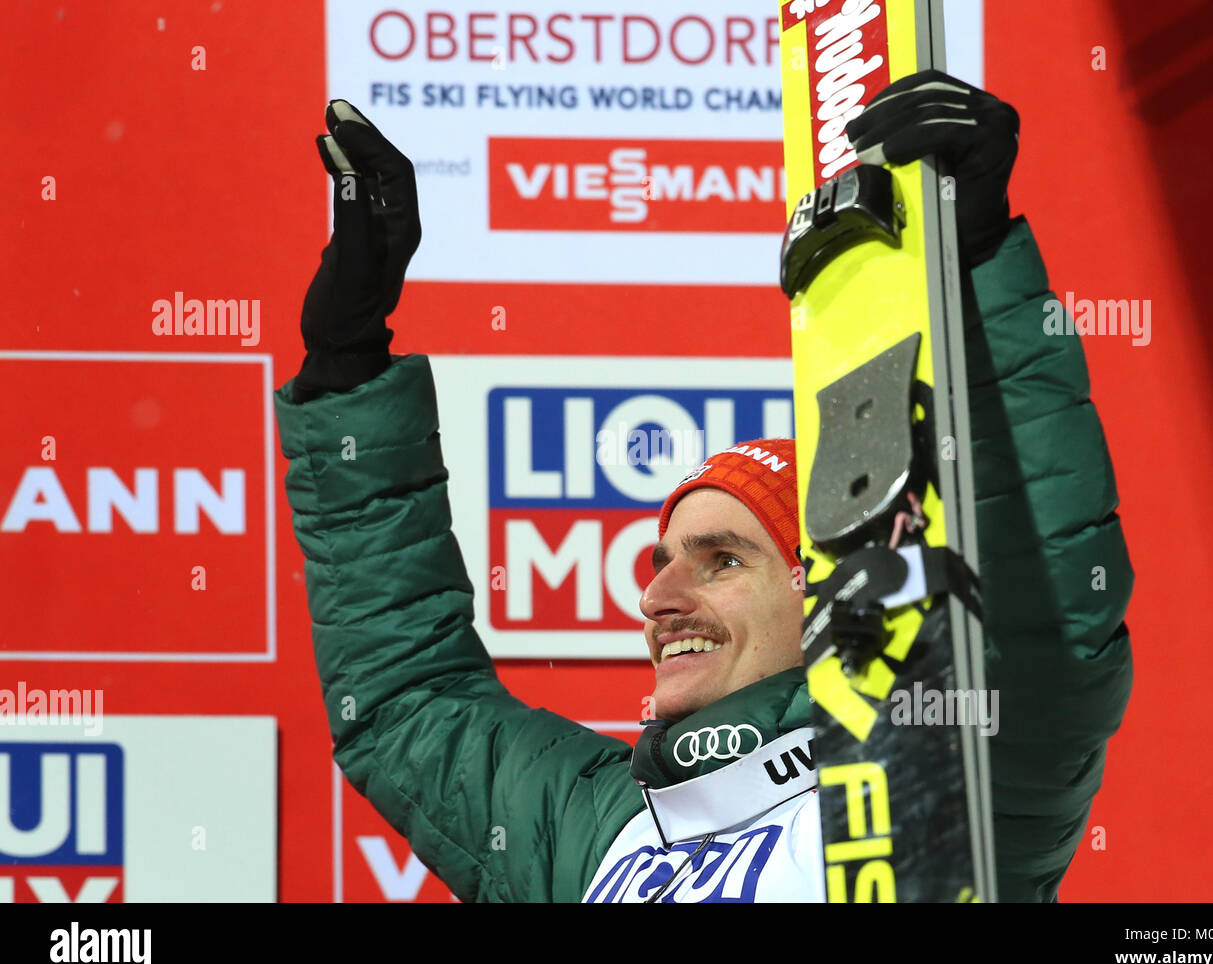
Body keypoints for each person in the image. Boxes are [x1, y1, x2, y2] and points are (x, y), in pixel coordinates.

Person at [274, 72, 1134, 903]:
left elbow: (1047, 627)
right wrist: (346, 365)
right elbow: (405, 702)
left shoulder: (924, 781)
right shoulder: (591, 828)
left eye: (722, 559)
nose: (658, 597)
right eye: (662, 561)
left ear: (832, 584)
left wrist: (975, 270)